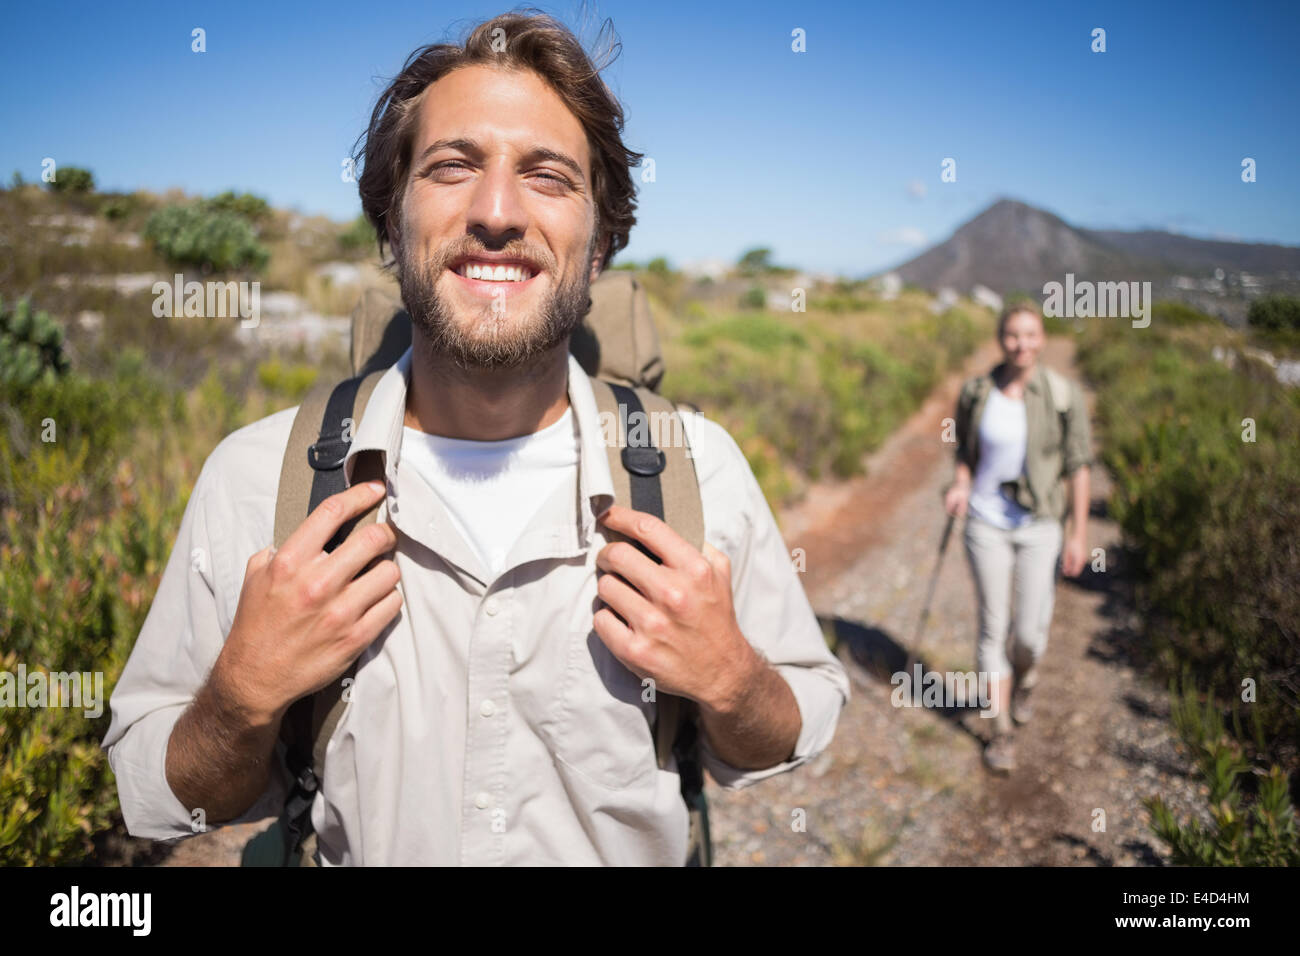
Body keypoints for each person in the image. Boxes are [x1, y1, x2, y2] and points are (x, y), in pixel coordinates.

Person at [101, 11, 848, 865]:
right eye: (453, 167)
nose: (496, 212)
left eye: (549, 177)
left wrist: (733, 679)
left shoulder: (697, 469)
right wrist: (239, 697)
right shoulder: (252, 479)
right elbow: (162, 800)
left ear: (600, 243)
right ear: (392, 223)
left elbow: (789, 729)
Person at [943, 299, 1093, 773]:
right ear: (1000, 338)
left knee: (1029, 635)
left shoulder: (1062, 394)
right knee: (993, 629)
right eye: (1012, 335)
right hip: (986, 523)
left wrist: (1078, 534)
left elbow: (1078, 467)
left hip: (1040, 524)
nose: (1021, 344)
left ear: (1042, 338)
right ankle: (1000, 727)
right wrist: (961, 484)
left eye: (1030, 335)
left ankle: (1024, 679)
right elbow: (963, 451)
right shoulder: (976, 392)